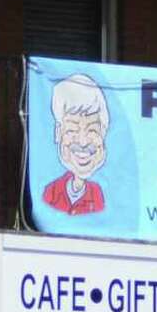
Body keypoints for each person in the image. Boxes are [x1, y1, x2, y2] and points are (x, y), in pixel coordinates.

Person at [41, 73, 110, 216]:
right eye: (72, 130)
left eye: (92, 130)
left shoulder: (98, 196)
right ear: (58, 132)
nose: (83, 142)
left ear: (103, 133)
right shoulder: (50, 192)